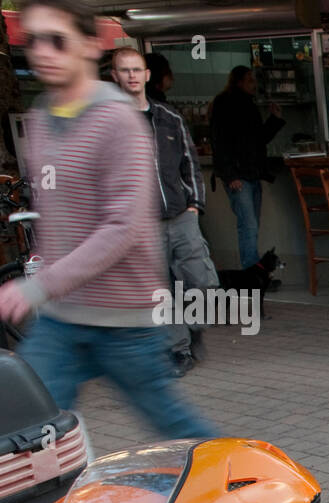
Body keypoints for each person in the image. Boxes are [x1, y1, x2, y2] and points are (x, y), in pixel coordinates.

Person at [0, 0, 216, 441]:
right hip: (61, 317)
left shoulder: (117, 119)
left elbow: (124, 228)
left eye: (57, 40)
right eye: (33, 40)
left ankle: (235, 487)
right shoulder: (41, 117)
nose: (43, 51)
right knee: (29, 430)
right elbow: (60, 213)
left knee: (176, 429)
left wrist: (38, 286)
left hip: (124, 318)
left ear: (87, 46)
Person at [111, 46, 219, 375]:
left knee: (202, 283)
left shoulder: (169, 118)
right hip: (143, 224)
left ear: (146, 75)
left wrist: (195, 206)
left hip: (181, 215)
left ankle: (194, 328)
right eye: (124, 70)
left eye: (136, 69)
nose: (131, 75)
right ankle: (179, 350)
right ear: (114, 77)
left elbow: (191, 165)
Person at [209, 65, 285, 269]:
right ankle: (251, 273)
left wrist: (274, 119)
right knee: (249, 225)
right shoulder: (226, 104)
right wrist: (230, 174)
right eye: (250, 80)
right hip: (239, 175)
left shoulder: (246, 105)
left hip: (249, 173)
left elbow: (258, 138)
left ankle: (252, 271)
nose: (254, 85)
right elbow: (220, 141)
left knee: (251, 225)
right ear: (239, 82)